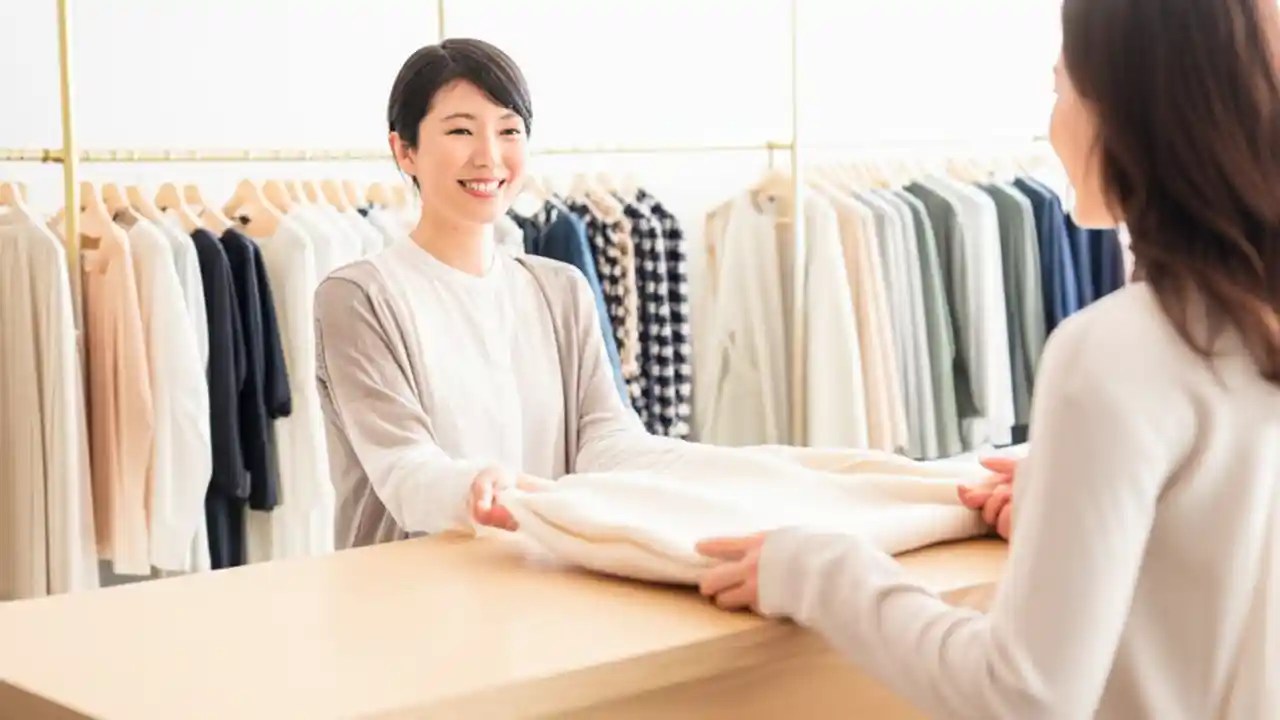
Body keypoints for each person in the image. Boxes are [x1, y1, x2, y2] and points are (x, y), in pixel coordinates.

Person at [697, 0, 1280, 717]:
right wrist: (1074, 498)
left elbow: (1023, 696)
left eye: (1061, 86)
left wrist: (823, 569)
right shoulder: (1247, 324)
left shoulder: (1116, 352)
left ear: (1126, 109)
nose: (1052, 123)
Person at [312, 38, 900, 547]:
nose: (489, 156)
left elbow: (606, 441)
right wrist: (479, 490)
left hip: (534, 577)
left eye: (509, 131)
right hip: (400, 598)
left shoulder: (558, 290)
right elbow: (402, 466)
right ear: (404, 150)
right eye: (461, 130)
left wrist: (746, 470)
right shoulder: (359, 297)